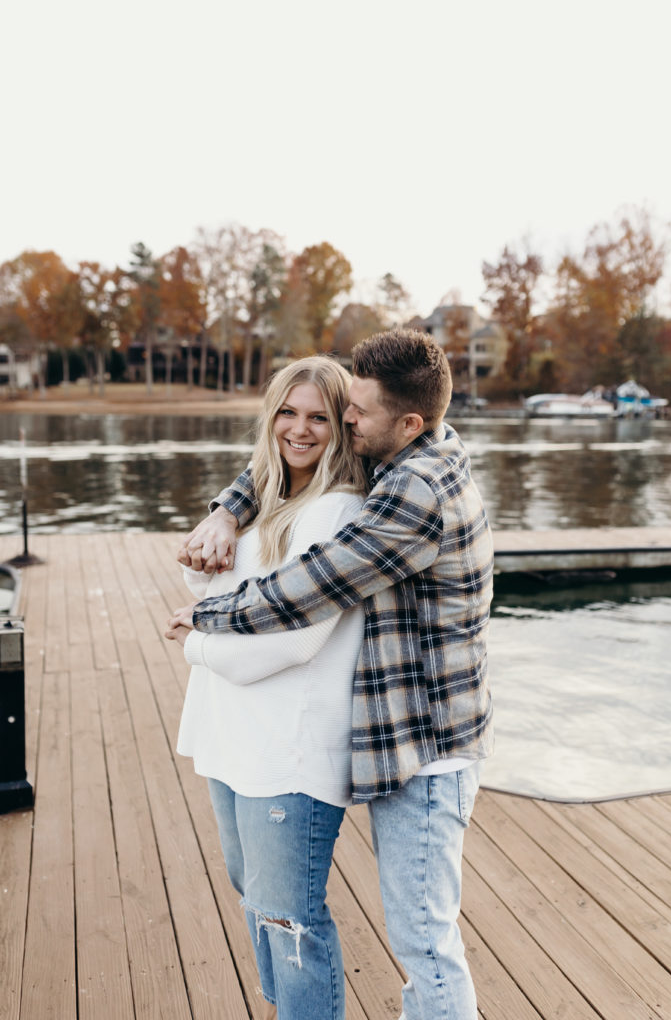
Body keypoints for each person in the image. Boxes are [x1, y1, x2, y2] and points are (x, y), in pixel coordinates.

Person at [172, 329, 494, 1020]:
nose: (343, 421)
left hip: (428, 746)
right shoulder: (415, 442)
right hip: (395, 731)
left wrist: (202, 623)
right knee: (371, 923)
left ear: (405, 422)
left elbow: (308, 590)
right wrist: (229, 507)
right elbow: (277, 458)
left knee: (423, 940)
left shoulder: (411, 491)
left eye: (350, 411)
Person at [165, 356, 368, 1020]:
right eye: (288, 412)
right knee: (255, 899)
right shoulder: (266, 493)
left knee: (289, 920)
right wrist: (215, 537)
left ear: (342, 426)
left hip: (289, 751)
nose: (300, 430)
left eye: (318, 417)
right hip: (234, 741)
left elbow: (293, 641)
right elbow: (221, 588)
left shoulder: (336, 510)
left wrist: (196, 640)